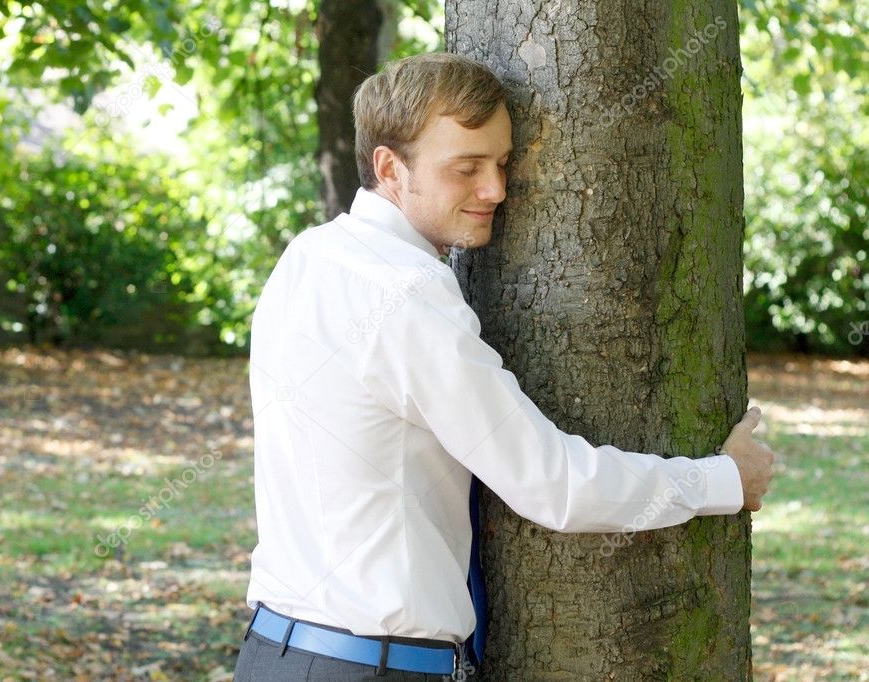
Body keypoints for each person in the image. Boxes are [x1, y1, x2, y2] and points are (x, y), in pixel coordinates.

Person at [231, 53, 775, 681]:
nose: (495, 190)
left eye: (502, 164)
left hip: (274, 653)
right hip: (370, 667)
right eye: (466, 168)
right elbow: (551, 482)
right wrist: (722, 480)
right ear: (389, 168)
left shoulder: (308, 257)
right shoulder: (404, 292)